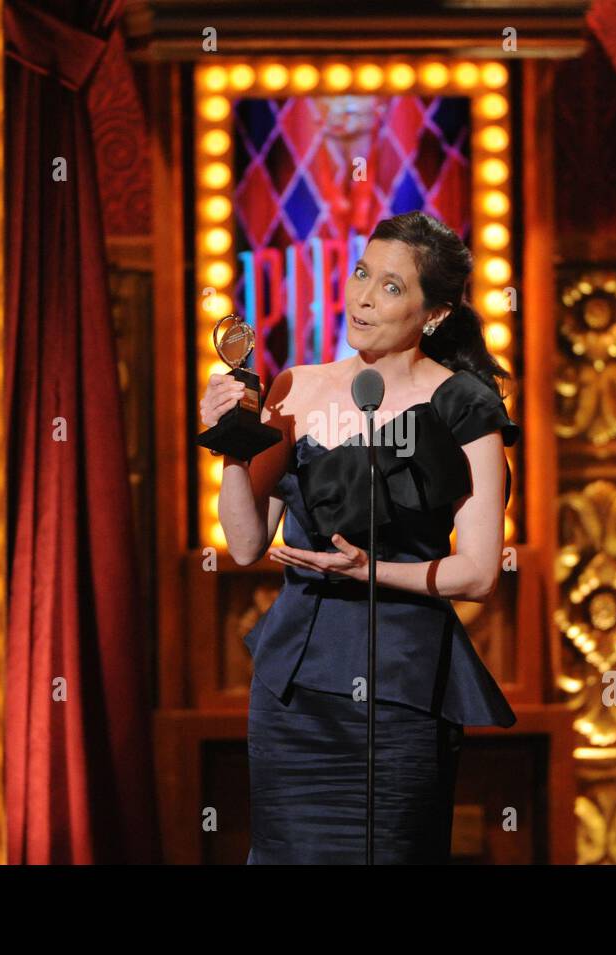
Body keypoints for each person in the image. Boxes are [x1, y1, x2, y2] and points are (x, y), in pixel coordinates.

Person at [200, 210, 519, 864]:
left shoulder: (464, 405)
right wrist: (231, 442)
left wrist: (367, 571)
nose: (365, 296)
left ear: (434, 314)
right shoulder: (295, 388)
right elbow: (243, 541)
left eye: (392, 286)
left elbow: (479, 572)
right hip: (294, 692)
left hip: (400, 690)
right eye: (361, 273)